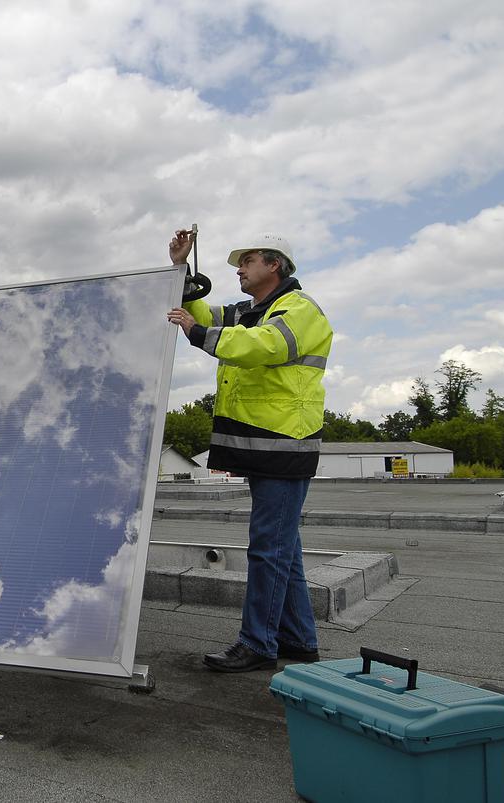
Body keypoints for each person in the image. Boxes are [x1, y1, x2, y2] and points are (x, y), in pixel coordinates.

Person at [165, 229, 333, 672]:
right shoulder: (248, 311)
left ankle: (258, 643)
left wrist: (198, 332)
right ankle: (298, 641)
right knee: (282, 550)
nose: (239, 268)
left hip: (283, 445)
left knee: (269, 550)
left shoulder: (299, 310)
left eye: (248, 260)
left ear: (274, 264)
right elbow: (204, 316)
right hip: (263, 444)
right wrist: (182, 270)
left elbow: (265, 345)